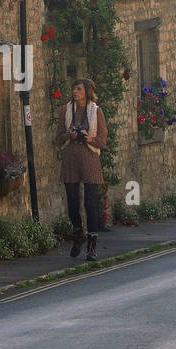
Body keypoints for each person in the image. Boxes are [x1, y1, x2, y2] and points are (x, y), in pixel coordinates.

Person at [55, 78, 107, 261]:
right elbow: (58, 138)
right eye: (73, 89)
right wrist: (69, 135)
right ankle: (78, 234)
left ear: (86, 91)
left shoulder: (96, 111)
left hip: (90, 159)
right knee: (73, 203)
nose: (75, 92)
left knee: (90, 203)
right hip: (71, 159)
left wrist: (88, 138)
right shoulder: (66, 110)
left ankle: (92, 247)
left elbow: (102, 140)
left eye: (78, 89)